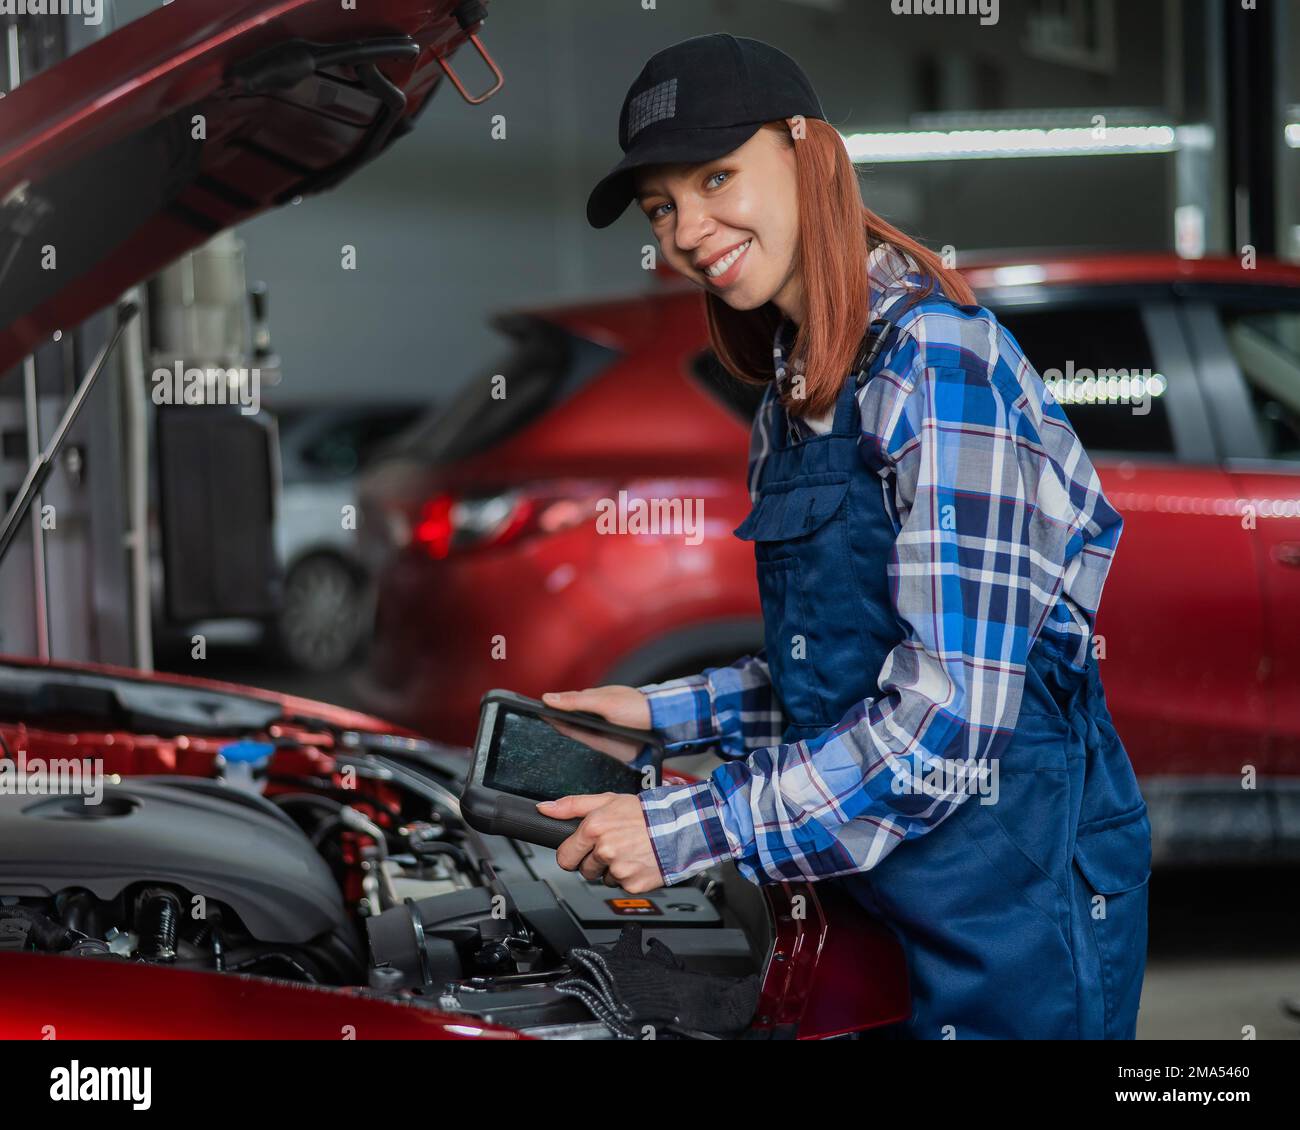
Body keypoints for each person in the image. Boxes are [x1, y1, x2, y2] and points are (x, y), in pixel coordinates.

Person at [537, 32, 1152, 1040]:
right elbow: (845, 669)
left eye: (716, 175)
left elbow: (944, 718)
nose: (688, 228)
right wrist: (654, 715)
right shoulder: (793, 389)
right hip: (872, 879)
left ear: (804, 150)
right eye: (661, 204)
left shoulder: (936, 362)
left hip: (1013, 898)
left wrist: (696, 823)